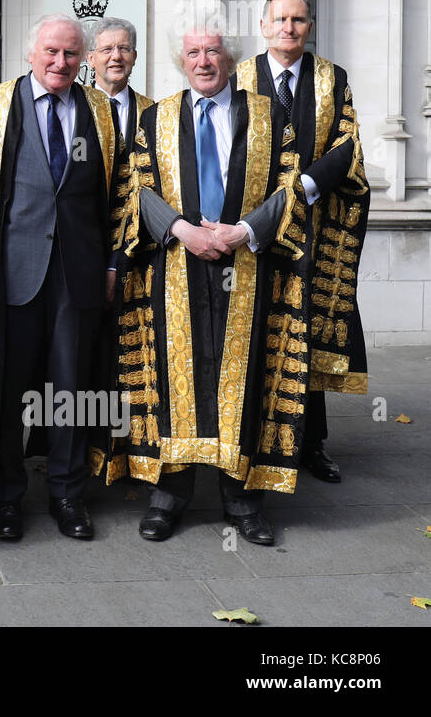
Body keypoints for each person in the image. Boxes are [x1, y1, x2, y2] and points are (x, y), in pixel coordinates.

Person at [111, 27, 311, 545]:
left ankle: (242, 499)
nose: (204, 61)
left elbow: (291, 185)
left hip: (246, 263)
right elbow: (137, 186)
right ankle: (168, 497)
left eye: (213, 52)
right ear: (183, 61)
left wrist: (244, 230)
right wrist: (182, 229)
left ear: (231, 60)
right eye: (194, 53)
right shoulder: (156, 117)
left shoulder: (269, 115)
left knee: (241, 375)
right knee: (177, 374)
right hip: (176, 261)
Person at [0, 13, 119, 542]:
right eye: (51, 52)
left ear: (85, 60)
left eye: (71, 54)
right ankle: (8, 498)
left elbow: (121, 192)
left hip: (77, 274)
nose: (60, 63)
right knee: (10, 389)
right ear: (30, 52)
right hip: (12, 272)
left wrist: (112, 263)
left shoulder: (99, 110)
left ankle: (67, 493)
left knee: (70, 387)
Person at [235, 0, 370, 483]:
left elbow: (347, 145)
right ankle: (249, 436)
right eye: (280, 20)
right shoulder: (239, 77)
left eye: (298, 20)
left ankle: (310, 443)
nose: (289, 29)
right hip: (255, 229)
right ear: (264, 25)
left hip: (312, 224)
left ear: (309, 26)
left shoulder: (332, 79)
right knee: (257, 333)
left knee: (306, 332)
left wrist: (303, 188)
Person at [85, 16, 152, 474]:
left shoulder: (155, 112)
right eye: (106, 49)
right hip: (85, 253)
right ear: (91, 59)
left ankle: (133, 451)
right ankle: (86, 453)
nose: (116, 57)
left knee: (134, 357)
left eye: (124, 48)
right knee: (88, 357)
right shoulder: (76, 108)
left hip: (142, 256)